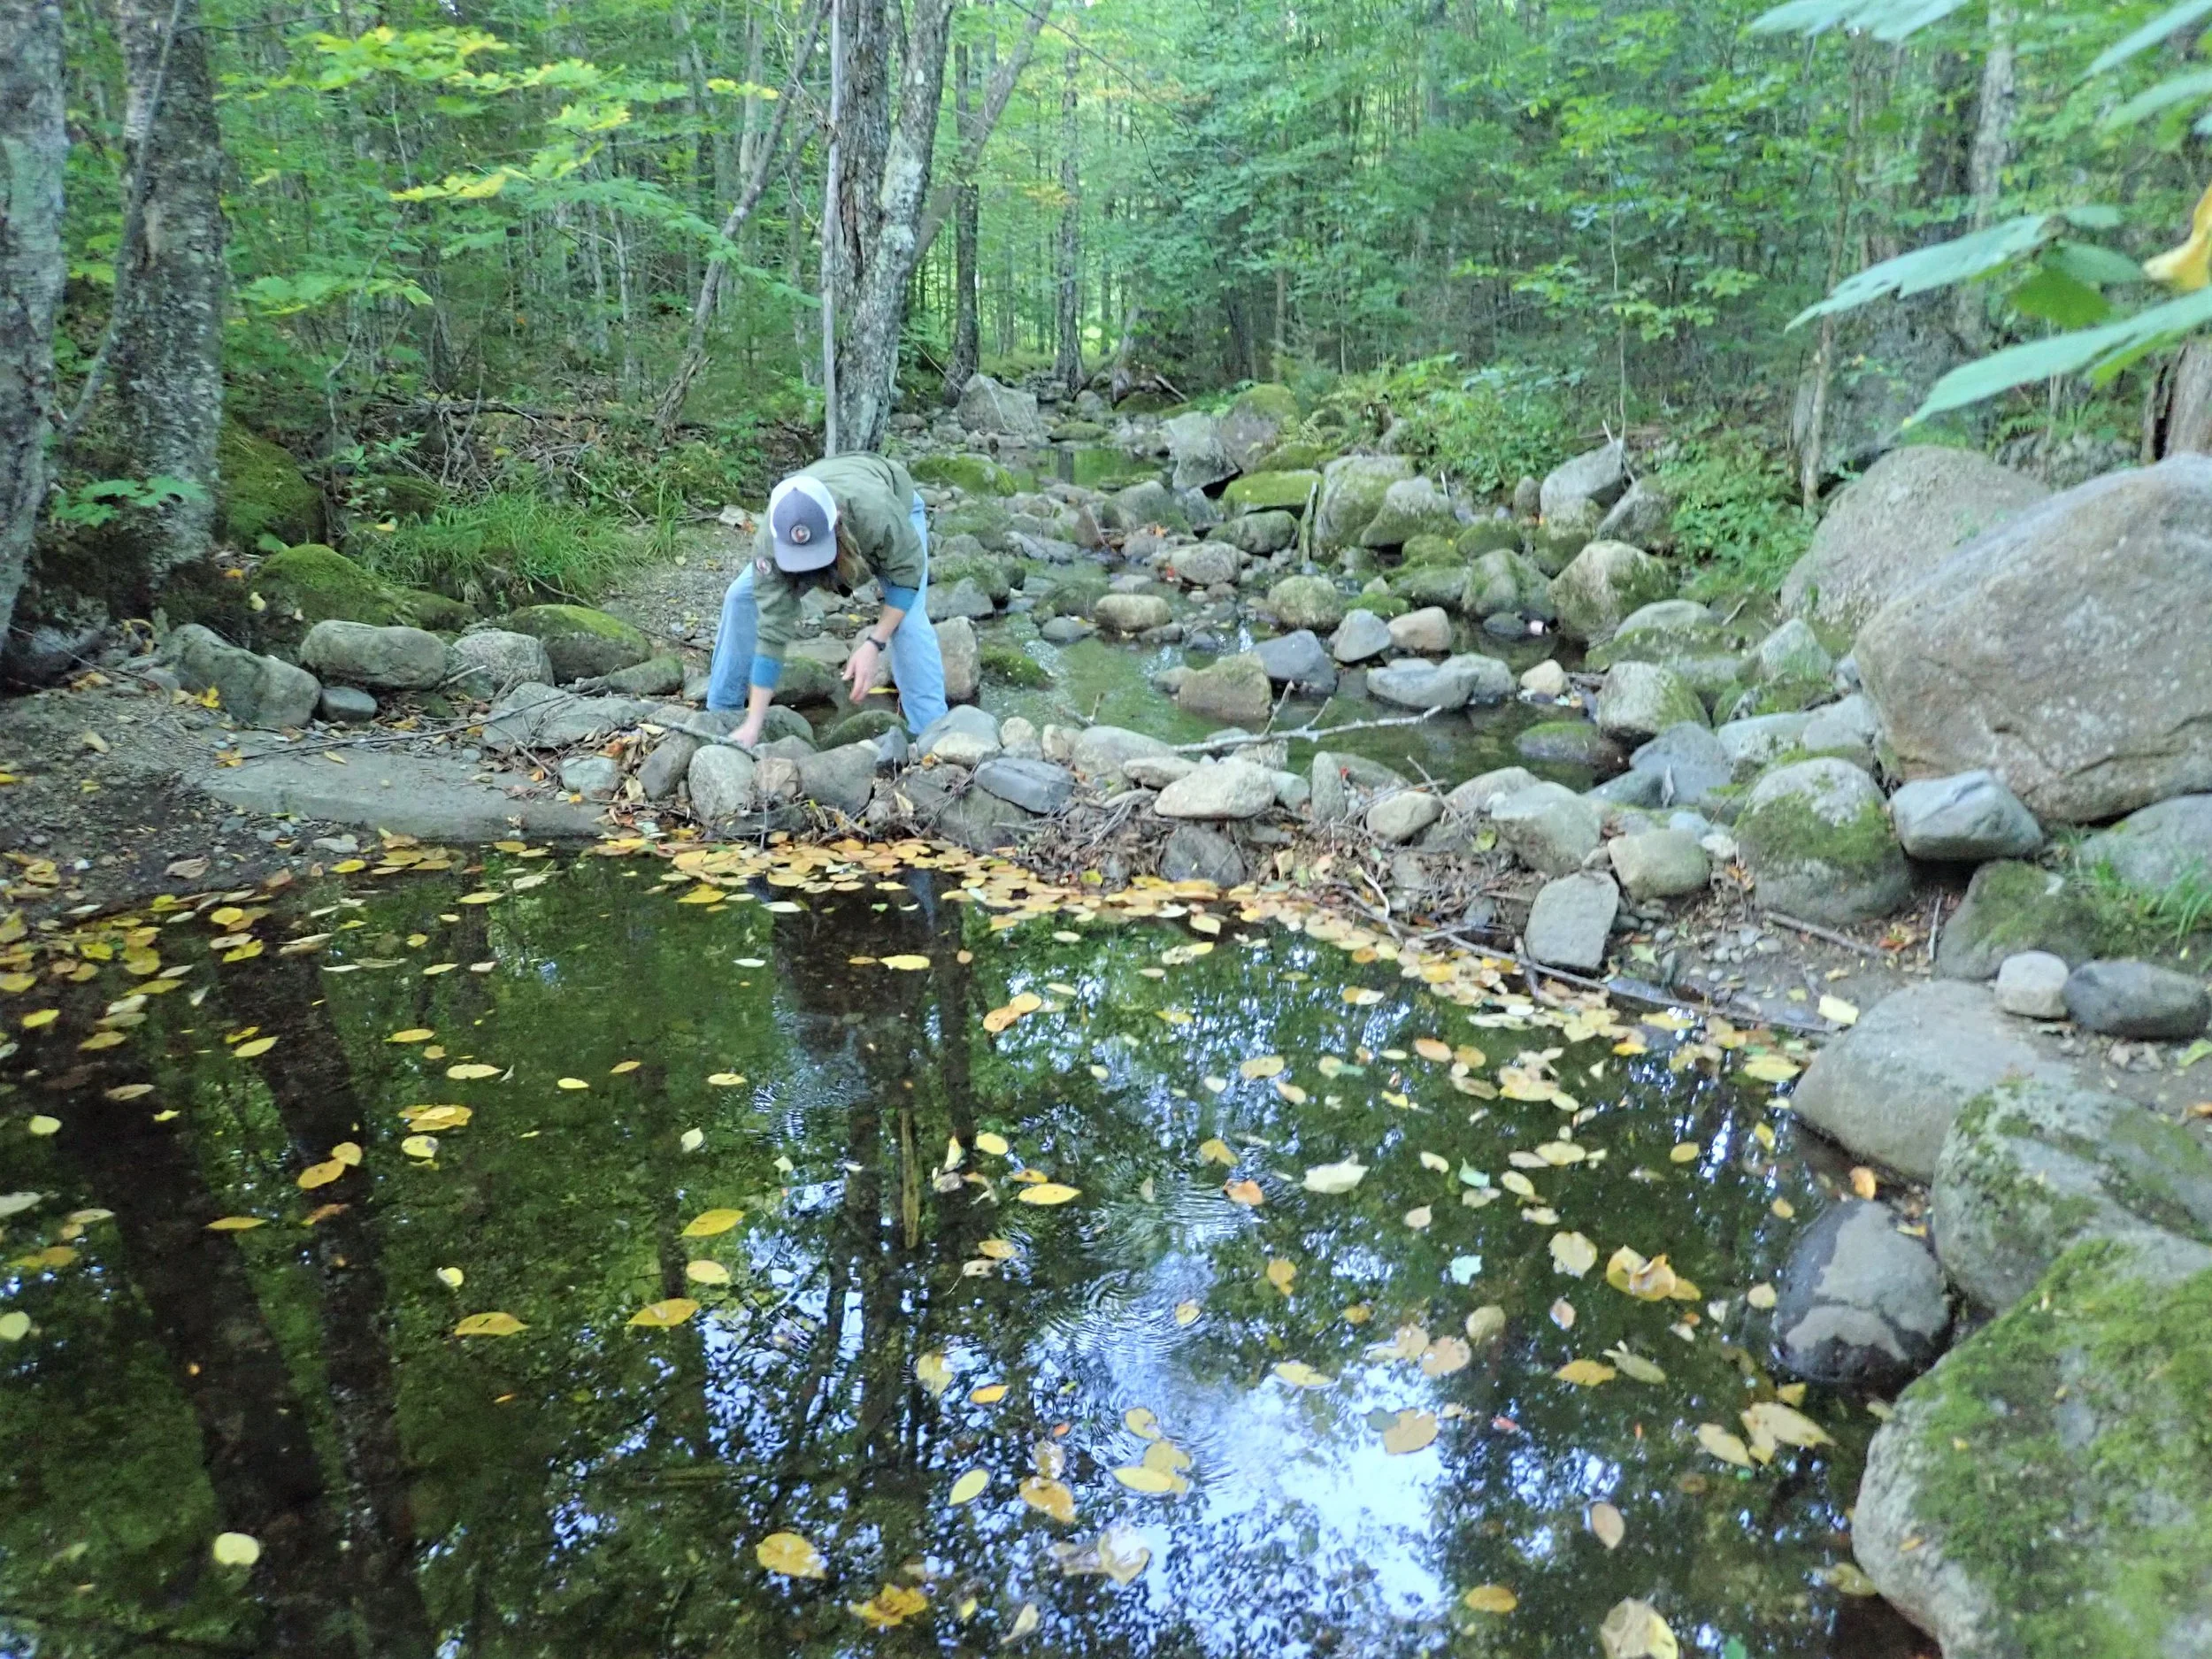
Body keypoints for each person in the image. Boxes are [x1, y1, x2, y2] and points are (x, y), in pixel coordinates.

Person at [704, 453, 948, 746]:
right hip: (833, 504)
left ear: (837, 526)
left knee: (907, 624)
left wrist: (874, 643)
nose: (807, 567)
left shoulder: (876, 513)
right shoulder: (771, 541)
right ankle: (720, 714)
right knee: (741, 598)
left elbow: (906, 581)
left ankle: (934, 739)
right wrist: (754, 724)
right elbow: (772, 632)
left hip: (893, 501)